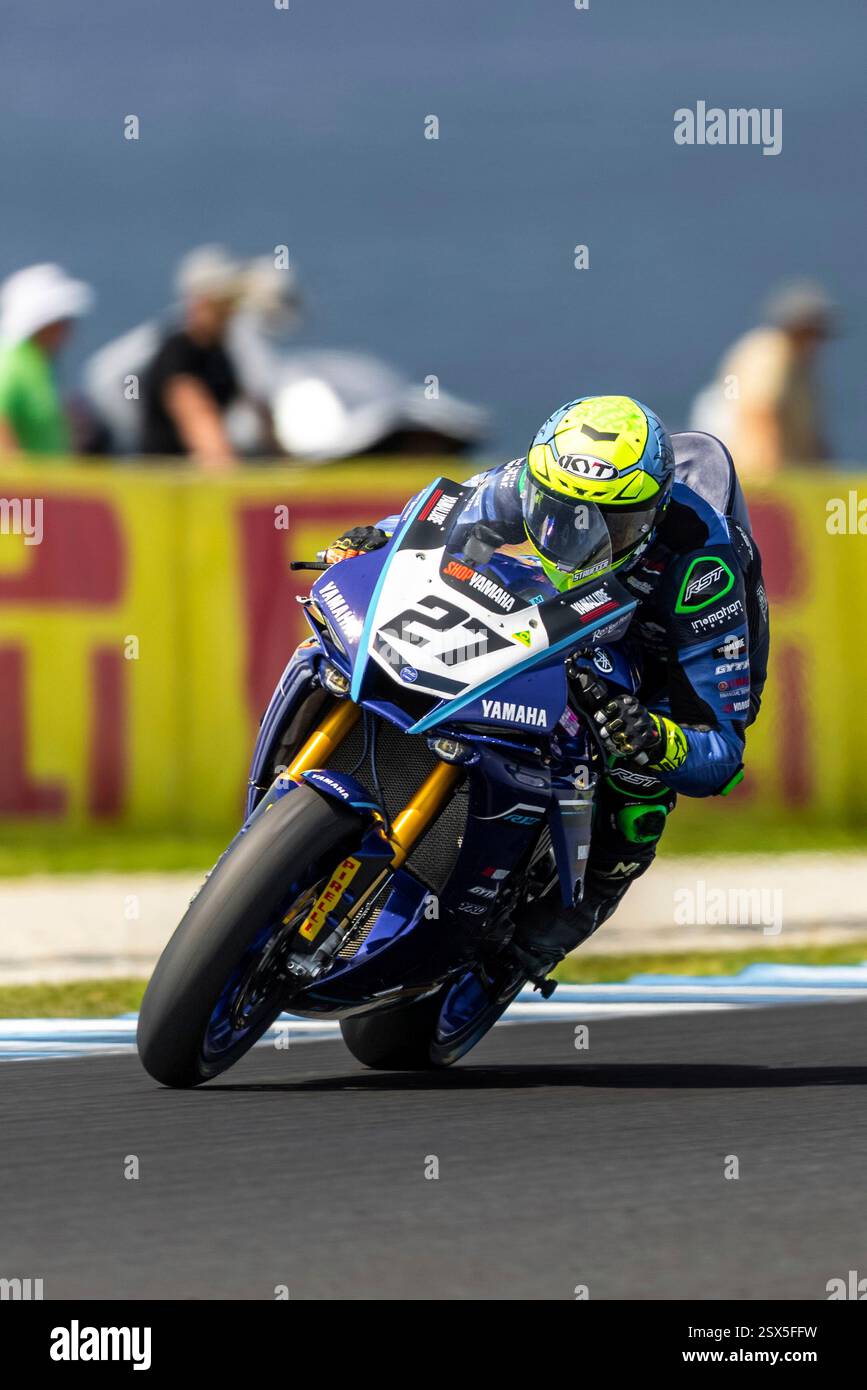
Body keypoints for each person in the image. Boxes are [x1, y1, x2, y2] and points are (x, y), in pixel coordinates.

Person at [325, 394, 770, 980]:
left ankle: (529, 952)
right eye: (561, 508)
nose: (579, 533)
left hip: (661, 661)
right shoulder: (529, 480)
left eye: (613, 522)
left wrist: (656, 738)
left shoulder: (701, 566)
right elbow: (437, 525)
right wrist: (376, 540)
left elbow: (722, 751)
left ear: (654, 513)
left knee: (637, 800)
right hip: (557, 612)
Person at [692, 280, 836, 481]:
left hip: (790, 478)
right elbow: (761, 415)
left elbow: (809, 431)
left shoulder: (799, 364)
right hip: (757, 478)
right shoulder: (770, 354)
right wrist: (772, 477)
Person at [140, 245, 246, 467]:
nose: (231, 311)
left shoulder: (222, 353)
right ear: (199, 303)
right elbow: (203, 431)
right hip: (169, 489)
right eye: (223, 303)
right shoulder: (178, 354)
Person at [0, 263, 93, 457]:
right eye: (61, 320)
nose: (68, 328)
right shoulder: (11, 364)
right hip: (25, 486)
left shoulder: (40, 363)